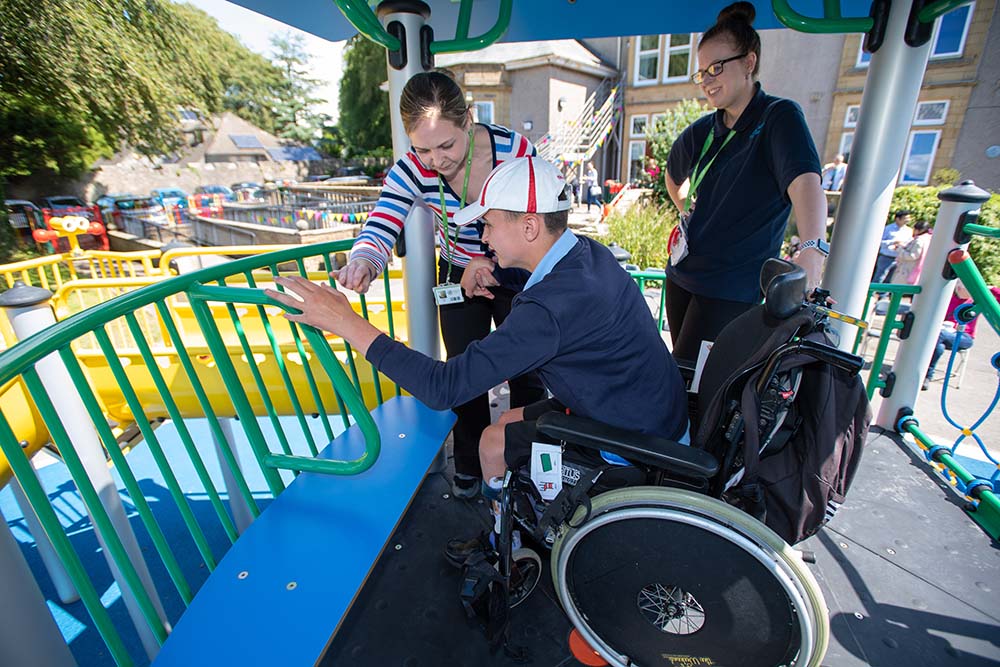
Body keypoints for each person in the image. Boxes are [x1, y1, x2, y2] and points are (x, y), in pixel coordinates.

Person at [265, 157, 688, 552]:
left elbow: (442, 386)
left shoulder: (546, 310)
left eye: (487, 225)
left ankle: (510, 542)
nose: (482, 238)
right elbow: (554, 299)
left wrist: (344, 321)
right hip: (651, 410)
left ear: (528, 226)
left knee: (492, 441)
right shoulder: (587, 254)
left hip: (631, 440)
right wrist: (492, 270)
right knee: (507, 417)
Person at [335, 71, 545, 500]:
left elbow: (536, 222)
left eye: (446, 145)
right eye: (422, 148)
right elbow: (383, 219)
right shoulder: (414, 166)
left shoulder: (515, 151)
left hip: (516, 266)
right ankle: (468, 463)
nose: (435, 160)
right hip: (456, 271)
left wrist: (490, 261)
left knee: (528, 371)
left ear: (468, 119)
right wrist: (364, 261)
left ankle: (527, 464)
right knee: (462, 373)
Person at [663, 2, 828, 363]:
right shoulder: (705, 129)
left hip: (730, 288)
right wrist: (685, 209)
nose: (706, 80)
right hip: (682, 277)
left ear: (749, 63)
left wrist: (813, 249)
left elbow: (805, 183)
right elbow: (672, 175)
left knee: (701, 389)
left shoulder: (778, 117)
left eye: (716, 68)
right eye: (702, 72)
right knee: (681, 375)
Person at [923, 283, 1000, 390]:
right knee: (939, 346)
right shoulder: (948, 297)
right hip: (943, 332)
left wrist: (991, 288)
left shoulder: (976, 302)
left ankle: (926, 374)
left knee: (938, 336)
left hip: (964, 336)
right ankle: (927, 376)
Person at [873, 210, 913, 283]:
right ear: (898, 219)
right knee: (880, 277)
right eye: (905, 218)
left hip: (899, 258)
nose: (907, 220)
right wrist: (893, 242)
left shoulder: (909, 231)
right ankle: (872, 293)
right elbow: (879, 242)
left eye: (908, 218)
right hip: (886, 256)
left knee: (891, 279)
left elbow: (909, 243)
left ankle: (883, 294)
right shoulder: (888, 229)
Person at [893, 220, 931, 286]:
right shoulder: (929, 238)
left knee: (897, 289)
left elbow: (912, 256)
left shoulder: (919, 240)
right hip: (919, 268)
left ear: (919, 230)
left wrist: (899, 249)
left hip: (908, 269)